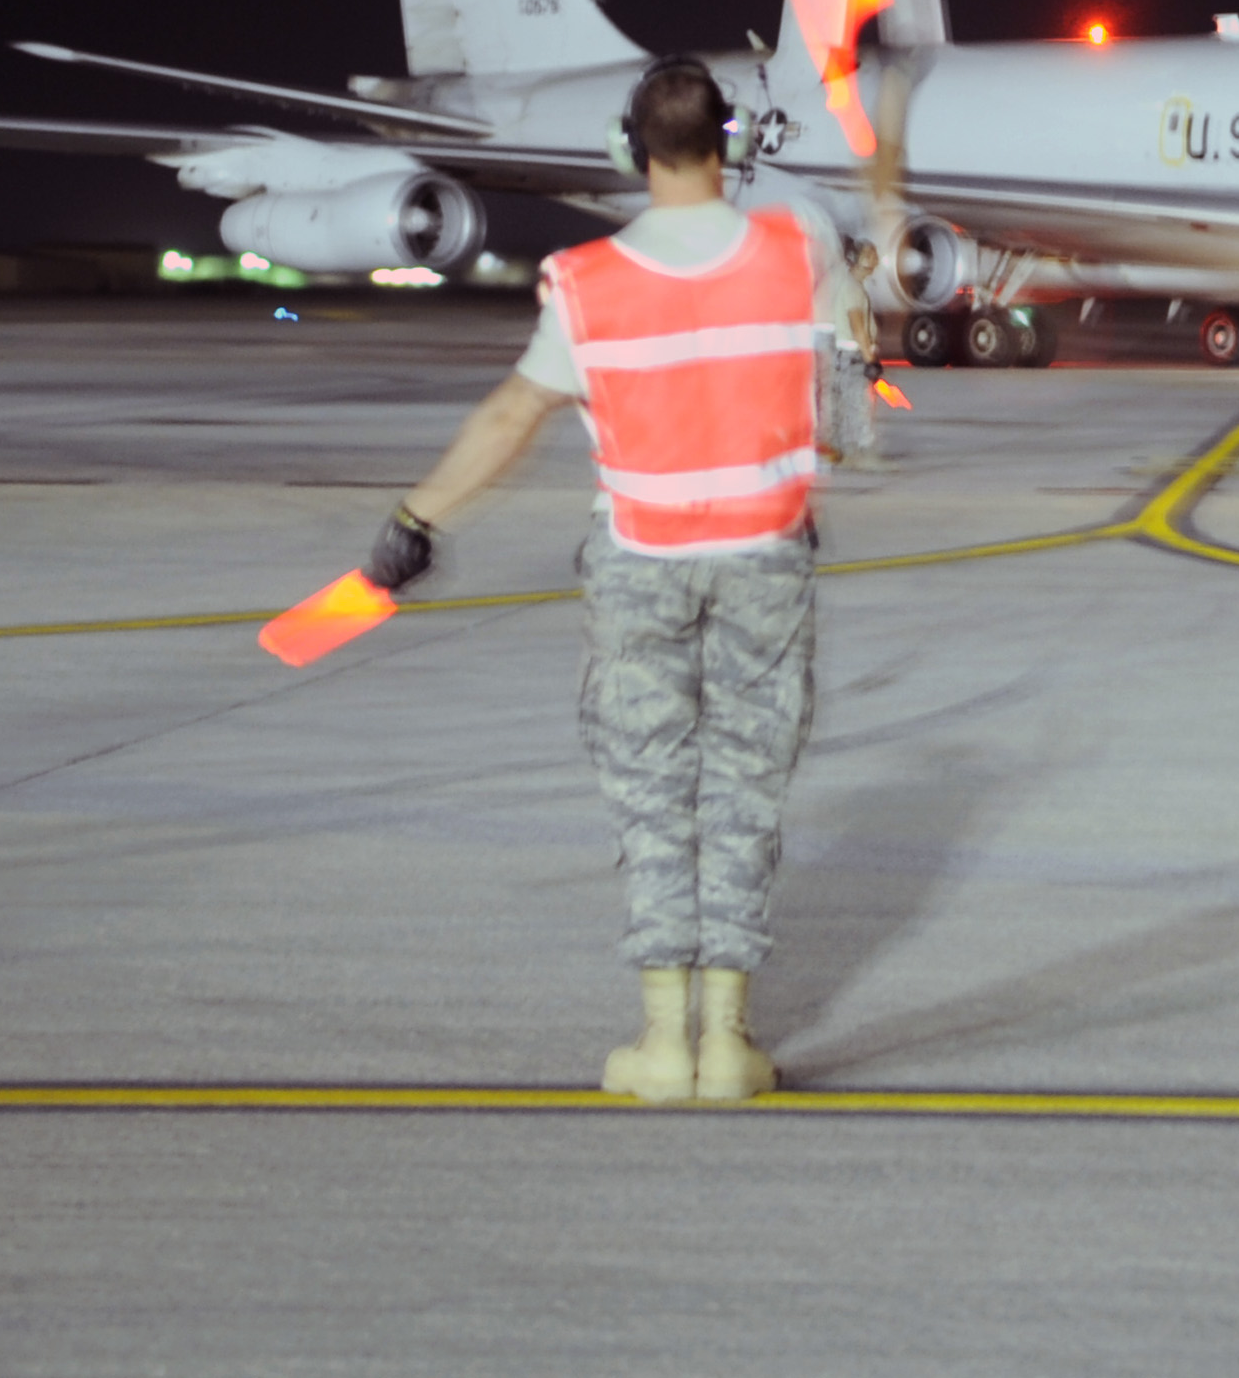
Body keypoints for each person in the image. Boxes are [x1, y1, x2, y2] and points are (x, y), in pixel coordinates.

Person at [357, 56, 850, 1103]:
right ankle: (729, 1045)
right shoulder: (795, 246)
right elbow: (844, 377)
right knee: (746, 791)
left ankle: (661, 1044)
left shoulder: (587, 284)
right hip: (766, 554)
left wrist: (416, 521)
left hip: (641, 561)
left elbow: (509, 417)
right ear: (730, 145)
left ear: (631, 154)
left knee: (651, 793)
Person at [822, 238, 888, 472]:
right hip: (853, 355)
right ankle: (863, 454)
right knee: (859, 405)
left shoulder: (851, 285)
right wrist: (870, 358)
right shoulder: (852, 288)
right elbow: (857, 324)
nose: (875, 259)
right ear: (857, 260)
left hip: (844, 355)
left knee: (844, 405)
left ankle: (842, 452)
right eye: (869, 254)